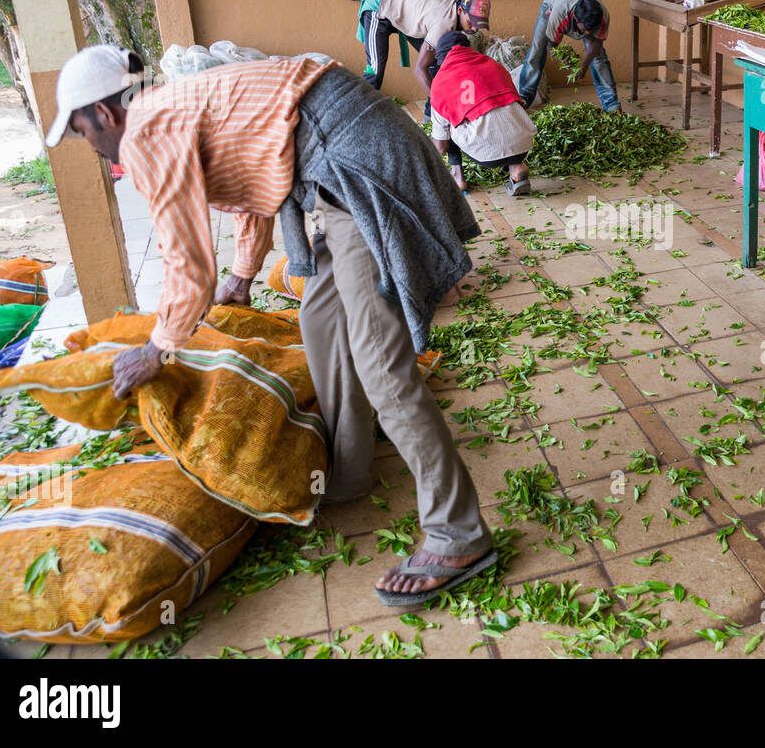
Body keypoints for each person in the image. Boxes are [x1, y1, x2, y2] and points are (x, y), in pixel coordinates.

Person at [47, 46, 496, 609]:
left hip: (355, 159)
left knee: (381, 363)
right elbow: (255, 182)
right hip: (345, 153)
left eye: (84, 132)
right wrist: (242, 276)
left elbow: (184, 255)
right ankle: (349, 472)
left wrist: (158, 348)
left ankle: (460, 536)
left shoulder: (143, 131)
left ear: (106, 115)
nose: (91, 145)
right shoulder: (170, 108)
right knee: (321, 319)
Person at [357, 0, 491, 121]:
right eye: (471, 22)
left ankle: (430, 118)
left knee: (436, 65)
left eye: (478, 23)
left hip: (409, 11)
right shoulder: (443, 23)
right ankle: (358, 116)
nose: (475, 28)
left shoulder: (464, 1)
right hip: (380, 7)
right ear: (460, 10)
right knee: (375, 70)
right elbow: (419, 69)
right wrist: (444, 104)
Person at [429, 31, 536, 196]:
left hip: (486, 153)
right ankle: (517, 168)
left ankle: (458, 177)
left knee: (449, 122)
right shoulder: (493, 65)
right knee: (504, 112)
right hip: (523, 141)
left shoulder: (441, 81)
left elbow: (441, 146)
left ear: (442, 56)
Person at [519, 0, 621, 113]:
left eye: (592, 29)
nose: (588, 33)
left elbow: (596, 43)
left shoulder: (602, 15)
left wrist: (584, 66)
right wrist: (559, 57)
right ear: (576, 19)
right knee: (537, 51)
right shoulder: (559, 14)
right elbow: (550, 46)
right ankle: (523, 100)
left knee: (599, 57)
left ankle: (611, 105)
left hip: (576, 1)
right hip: (552, 3)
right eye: (585, 30)